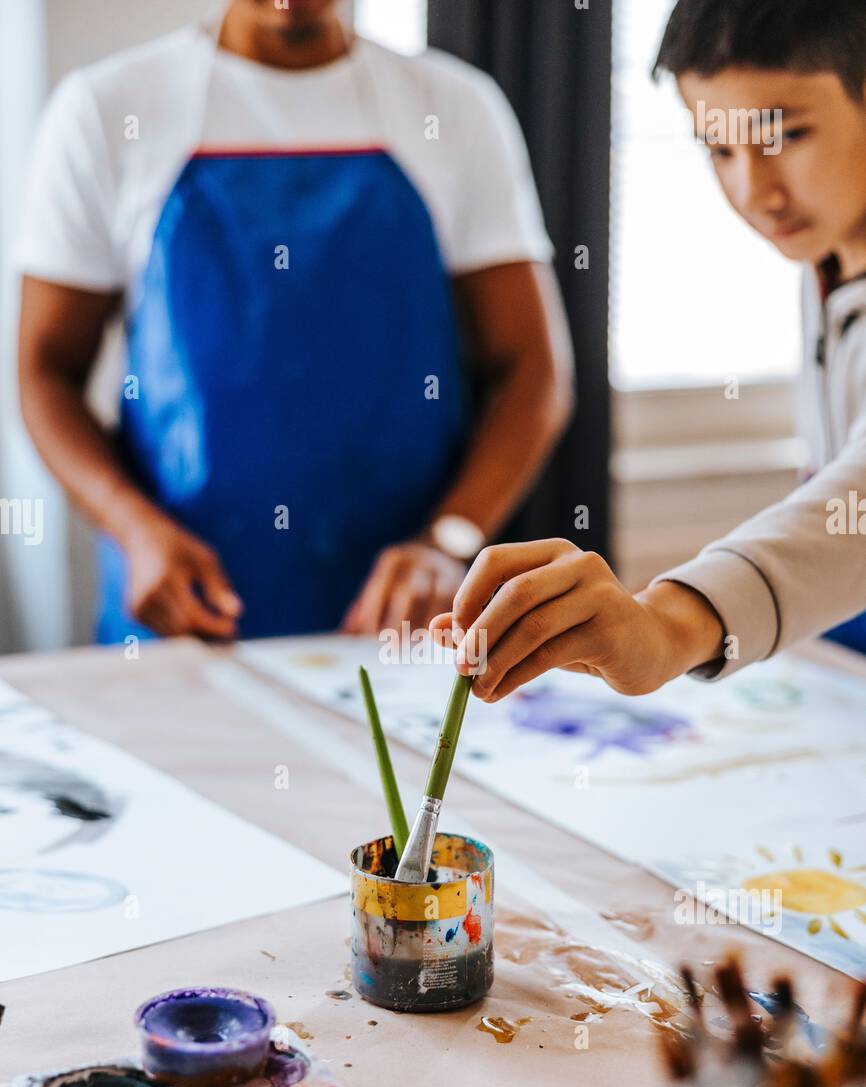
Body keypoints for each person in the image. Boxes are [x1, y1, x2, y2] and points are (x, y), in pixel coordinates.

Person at [17, 0, 572, 644]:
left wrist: (450, 541)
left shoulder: (456, 109)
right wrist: (129, 522)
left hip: (407, 629)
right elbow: (44, 369)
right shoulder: (108, 111)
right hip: (182, 619)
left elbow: (534, 370)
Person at [432, 0, 866, 702]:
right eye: (720, 149)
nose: (754, 190)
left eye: (785, 134)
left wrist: (668, 623)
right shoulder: (829, 255)